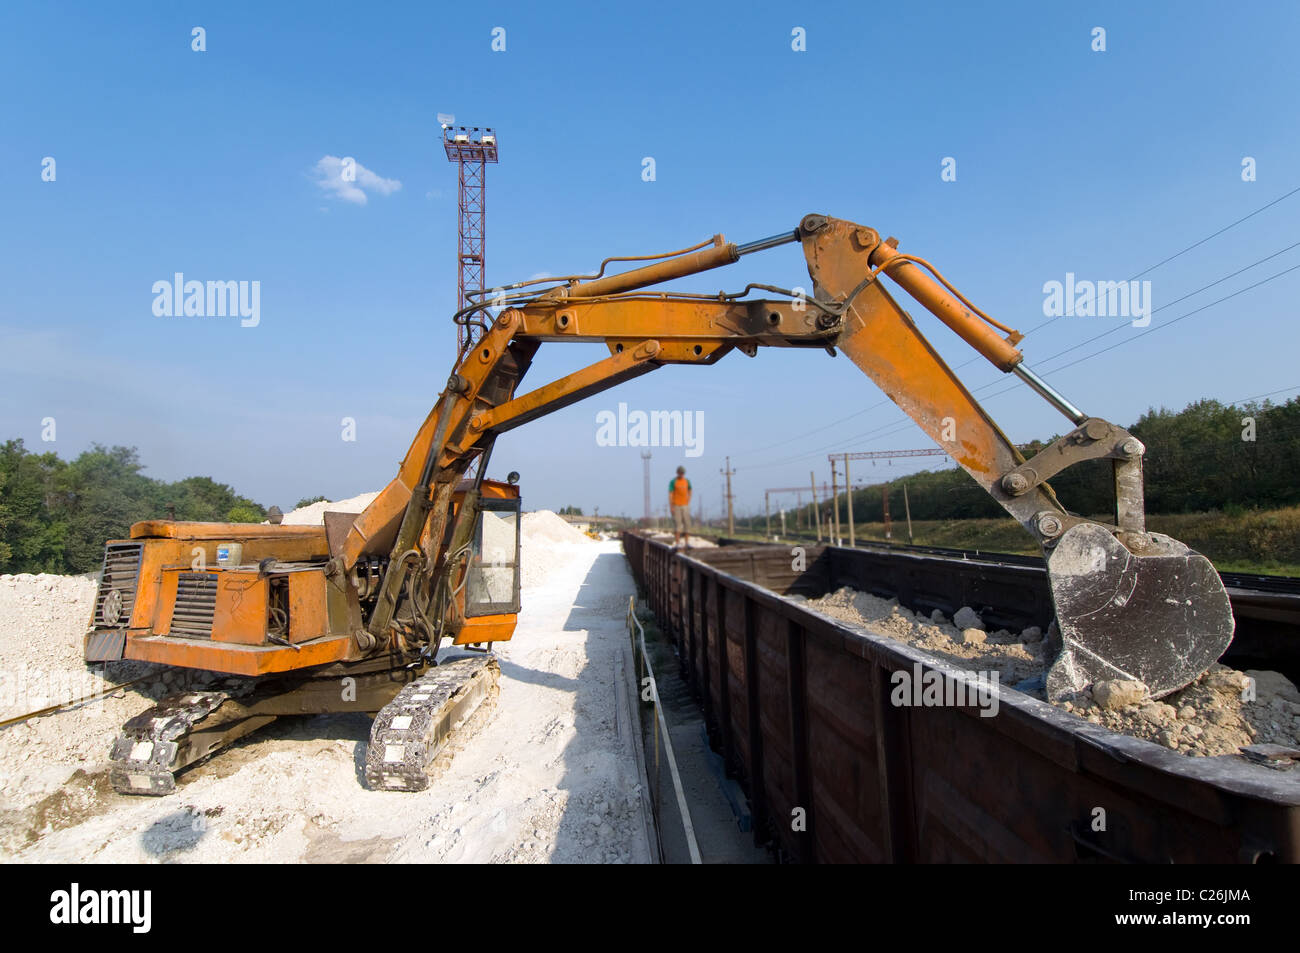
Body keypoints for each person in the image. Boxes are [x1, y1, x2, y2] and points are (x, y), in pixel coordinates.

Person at [668, 465, 692, 548]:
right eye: (680, 473)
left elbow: (690, 490)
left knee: (687, 523)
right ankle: (677, 543)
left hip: (685, 505)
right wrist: (671, 506)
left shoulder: (687, 481)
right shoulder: (673, 482)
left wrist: (688, 500)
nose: (682, 474)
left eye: (683, 473)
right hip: (676, 505)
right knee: (678, 524)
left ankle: (687, 543)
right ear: (677, 473)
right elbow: (670, 494)